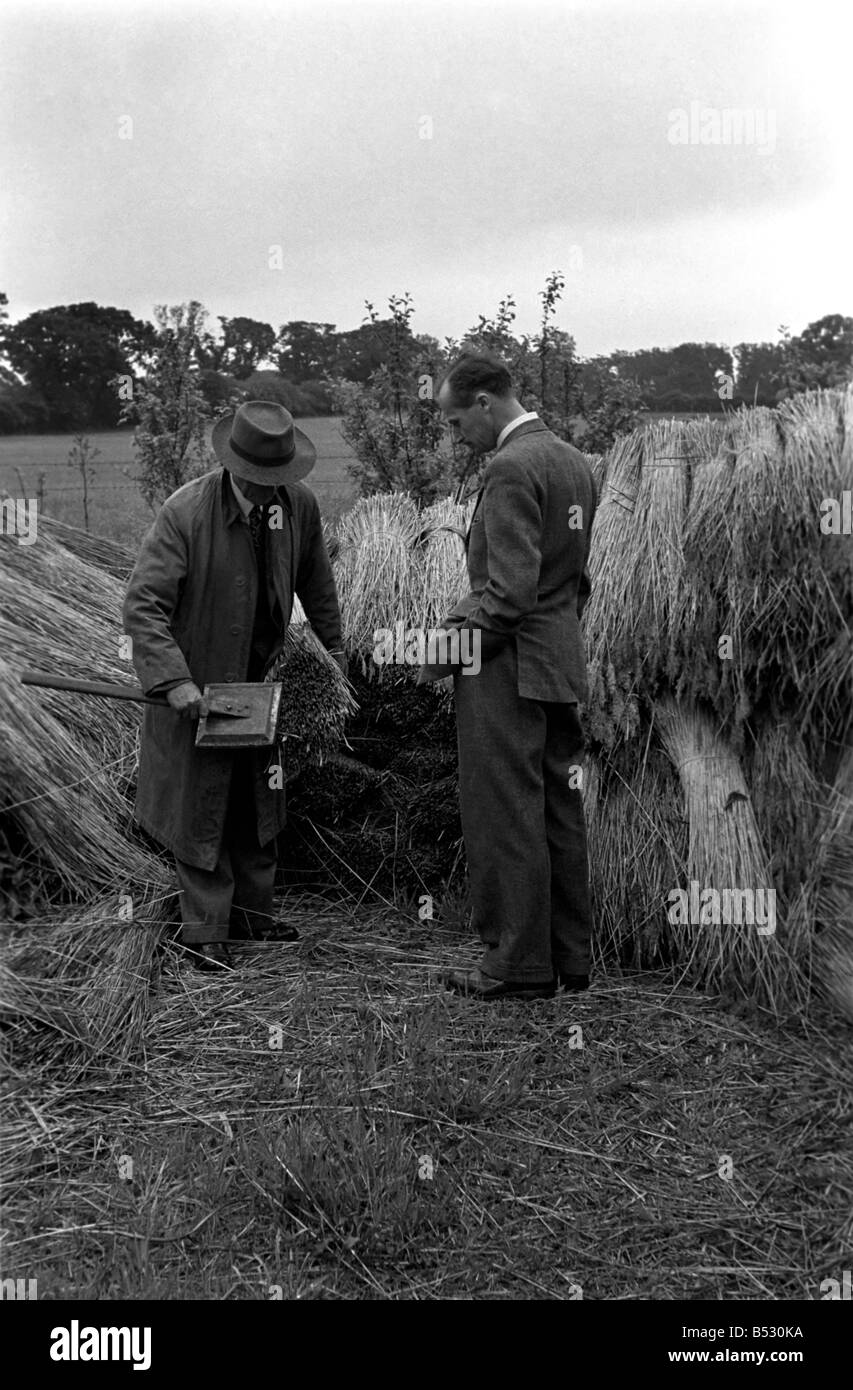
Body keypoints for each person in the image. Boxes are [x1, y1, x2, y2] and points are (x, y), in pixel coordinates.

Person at [123, 400, 345, 970]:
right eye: (264, 482)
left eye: (282, 479)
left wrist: (333, 654)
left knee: (257, 802)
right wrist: (173, 681)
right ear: (237, 469)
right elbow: (144, 606)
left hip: (262, 689)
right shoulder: (186, 513)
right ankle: (204, 932)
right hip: (200, 689)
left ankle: (252, 920)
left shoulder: (299, 507)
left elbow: (317, 584)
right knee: (202, 807)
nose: (274, 490)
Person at [419, 353, 597, 1000]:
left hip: (506, 668)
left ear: (485, 403)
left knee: (506, 815)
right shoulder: (573, 461)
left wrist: (442, 653)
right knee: (556, 810)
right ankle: (567, 960)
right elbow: (576, 582)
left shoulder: (510, 466)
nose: (453, 430)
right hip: (555, 662)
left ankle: (515, 968)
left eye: (453, 416)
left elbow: (507, 594)